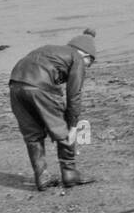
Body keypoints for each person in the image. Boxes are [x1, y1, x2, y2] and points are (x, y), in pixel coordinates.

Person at [8, 29, 98, 190]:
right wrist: (73, 126)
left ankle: (42, 176)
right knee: (62, 128)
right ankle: (69, 172)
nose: (88, 67)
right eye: (90, 63)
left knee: (32, 134)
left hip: (15, 84)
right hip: (40, 86)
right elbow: (74, 95)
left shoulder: (49, 49)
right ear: (86, 55)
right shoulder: (77, 58)